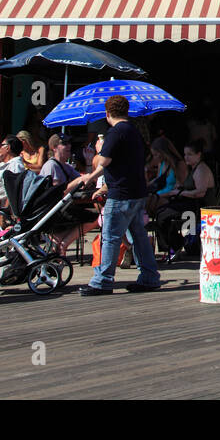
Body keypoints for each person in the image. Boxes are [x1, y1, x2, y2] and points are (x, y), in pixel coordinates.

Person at [68, 95, 161, 294]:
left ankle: (102, 281)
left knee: (110, 236)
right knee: (139, 236)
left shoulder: (116, 132)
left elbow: (105, 161)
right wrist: (92, 177)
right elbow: (118, 162)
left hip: (120, 194)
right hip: (137, 192)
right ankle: (150, 277)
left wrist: (99, 152)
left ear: (107, 113)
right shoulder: (134, 131)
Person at [155, 141, 215, 260]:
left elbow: (200, 192)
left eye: (190, 154)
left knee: (164, 215)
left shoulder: (201, 169)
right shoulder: (193, 168)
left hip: (199, 206)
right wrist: (180, 188)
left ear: (199, 155)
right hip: (189, 203)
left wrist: (179, 192)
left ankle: (174, 246)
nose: (186, 157)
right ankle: (175, 244)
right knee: (161, 212)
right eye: (185, 154)